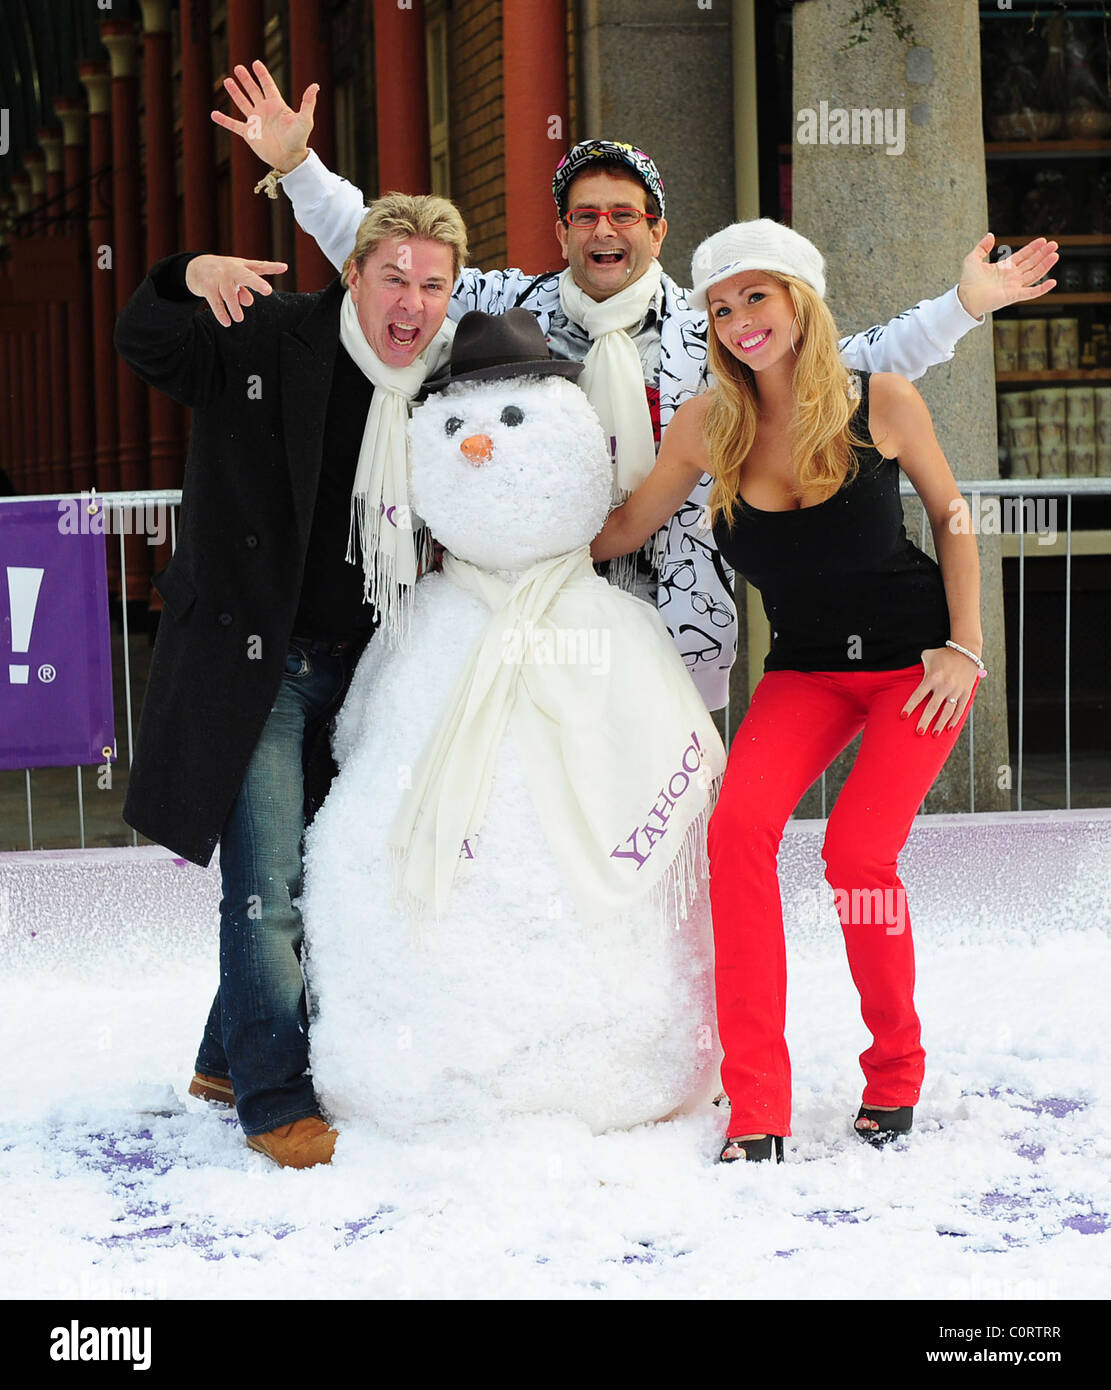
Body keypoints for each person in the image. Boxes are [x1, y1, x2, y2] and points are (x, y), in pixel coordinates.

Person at [211, 59, 1057, 714]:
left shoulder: (718, 332)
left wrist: (962, 307)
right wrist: (299, 169)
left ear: (657, 228)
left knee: (674, 836)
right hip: (545, 608)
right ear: (561, 231)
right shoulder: (507, 312)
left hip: (681, 622)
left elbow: (859, 361)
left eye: (624, 212)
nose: (604, 228)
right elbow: (397, 269)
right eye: (585, 214)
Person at [590, 219, 985, 1163]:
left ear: (799, 300)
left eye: (753, 297)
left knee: (856, 856)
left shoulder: (878, 402)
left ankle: (895, 1072)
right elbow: (619, 531)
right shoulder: (706, 425)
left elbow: (951, 513)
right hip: (806, 674)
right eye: (720, 308)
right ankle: (756, 1106)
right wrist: (495, 540)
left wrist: (963, 647)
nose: (736, 321)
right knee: (736, 836)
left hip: (913, 669)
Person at [114, 192, 468, 1168]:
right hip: (258, 665)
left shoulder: (441, 388)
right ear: (353, 274)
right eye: (392, 277)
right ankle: (275, 1099)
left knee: (326, 881)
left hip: (365, 670)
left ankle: (225, 1054)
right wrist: (190, 276)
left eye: (431, 284)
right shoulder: (267, 335)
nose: (411, 301)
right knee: (267, 886)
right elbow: (147, 343)